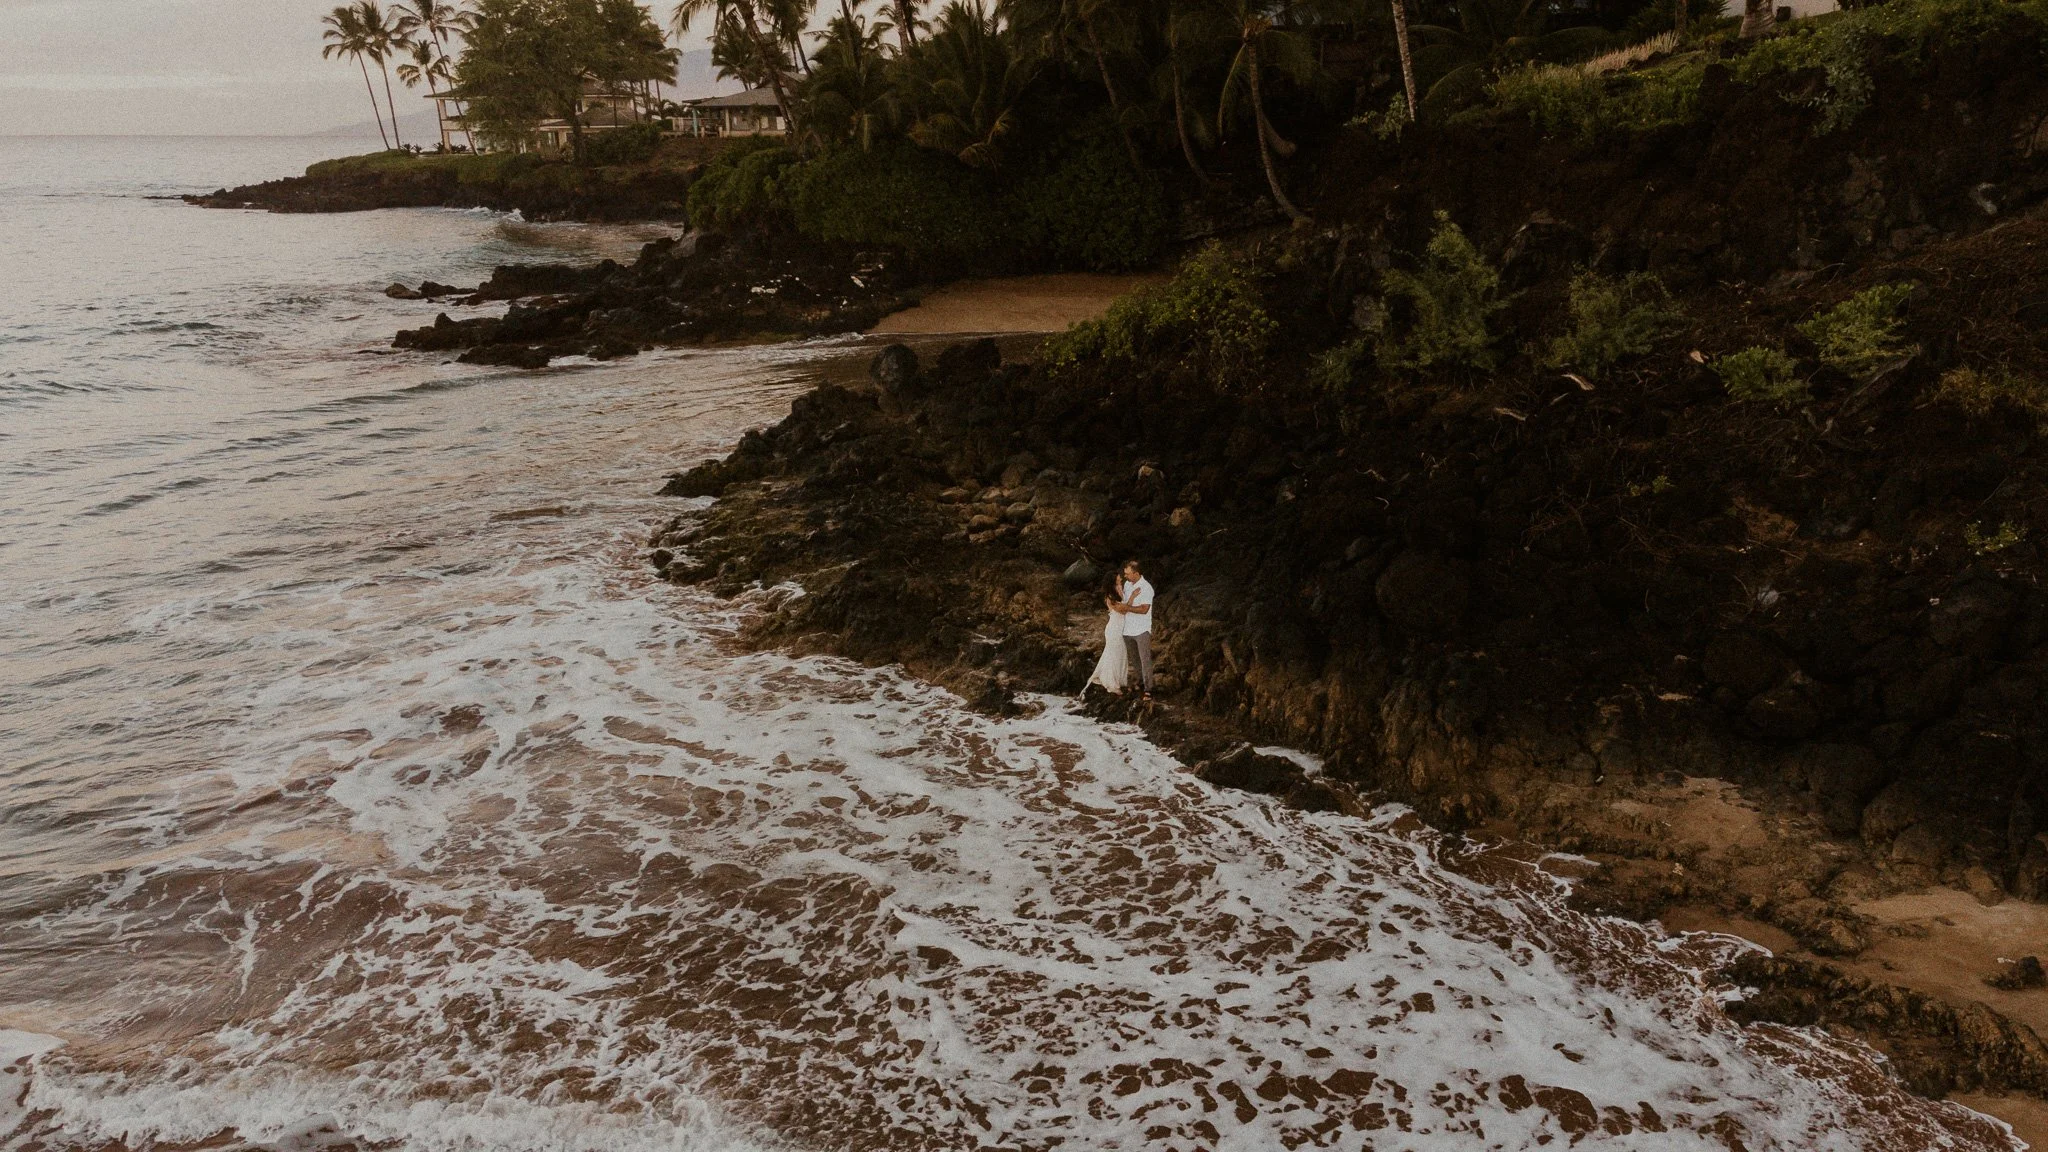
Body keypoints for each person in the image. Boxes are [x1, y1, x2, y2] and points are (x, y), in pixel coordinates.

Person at [1110, 559, 1155, 700]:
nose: (1125, 576)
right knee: (1135, 660)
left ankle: (1149, 689)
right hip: (1128, 629)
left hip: (1141, 630)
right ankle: (1141, 682)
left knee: (1145, 660)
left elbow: (1144, 609)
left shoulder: (1146, 588)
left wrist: (1126, 608)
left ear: (1136, 573)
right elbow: (1122, 602)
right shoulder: (1128, 585)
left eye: (1128, 574)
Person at [1087, 570, 1130, 694]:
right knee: (1114, 654)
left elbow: (1126, 606)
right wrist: (1131, 602)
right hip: (1114, 628)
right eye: (1118, 577)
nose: (1120, 578)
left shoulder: (1120, 590)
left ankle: (1120, 680)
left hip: (1122, 626)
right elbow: (1123, 610)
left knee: (1122, 653)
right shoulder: (1110, 597)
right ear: (1113, 580)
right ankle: (1111, 683)